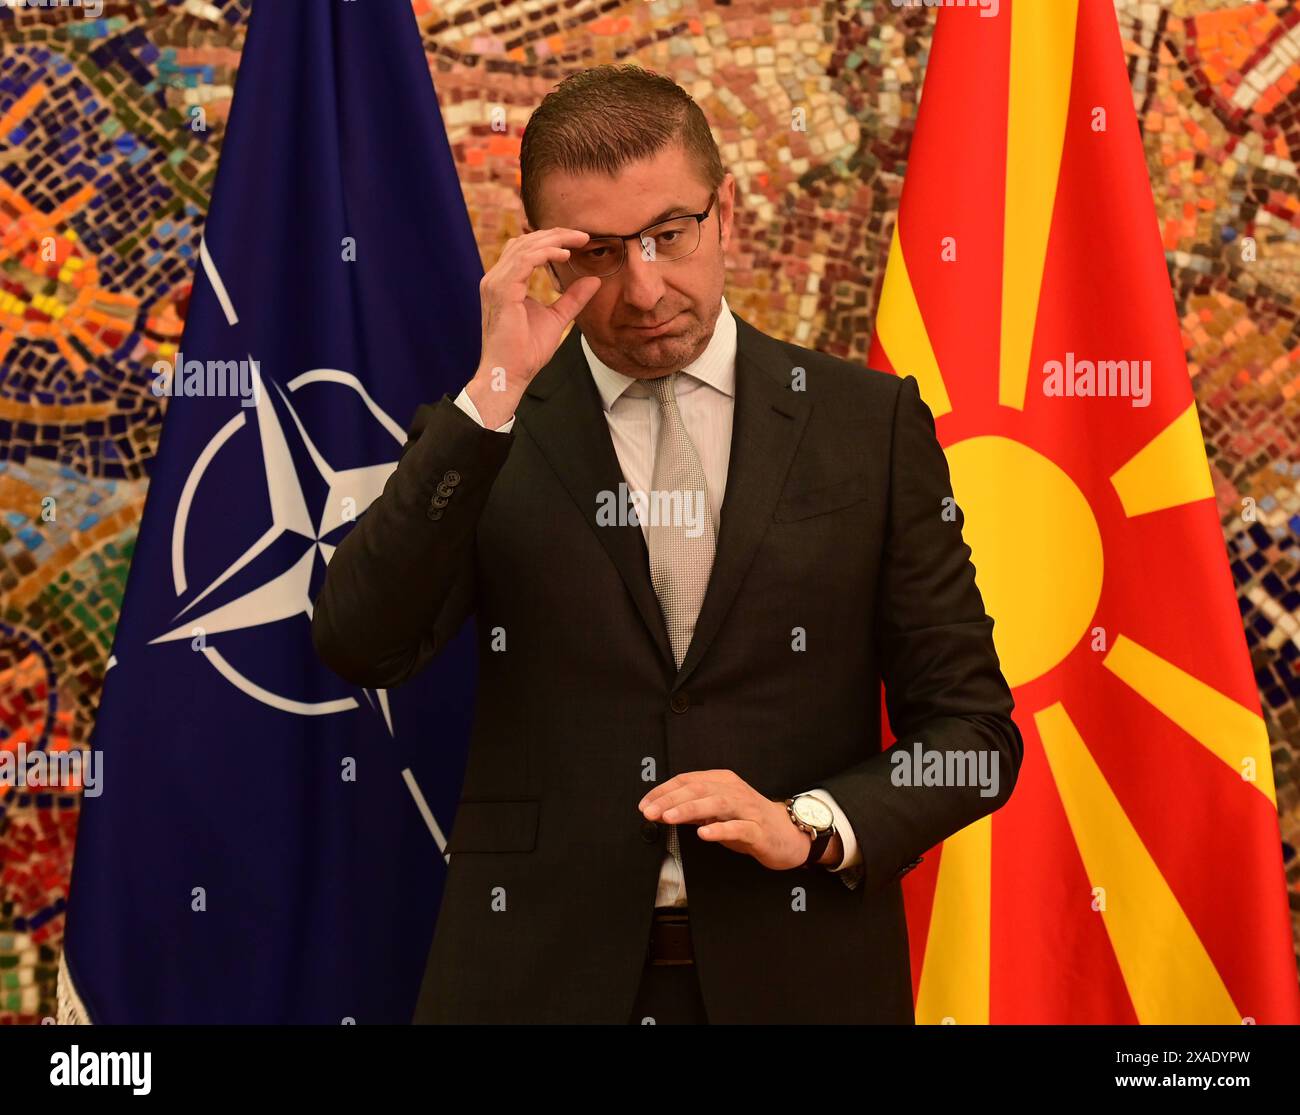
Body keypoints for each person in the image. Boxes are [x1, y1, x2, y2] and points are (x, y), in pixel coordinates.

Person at [311, 63, 1023, 1025]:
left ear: (725, 208)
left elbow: (974, 737)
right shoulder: (488, 430)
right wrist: (489, 398)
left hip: (803, 980)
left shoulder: (869, 423)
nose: (644, 287)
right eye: (600, 252)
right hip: (530, 985)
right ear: (549, 258)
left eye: (669, 235)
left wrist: (806, 828)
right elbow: (359, 642)